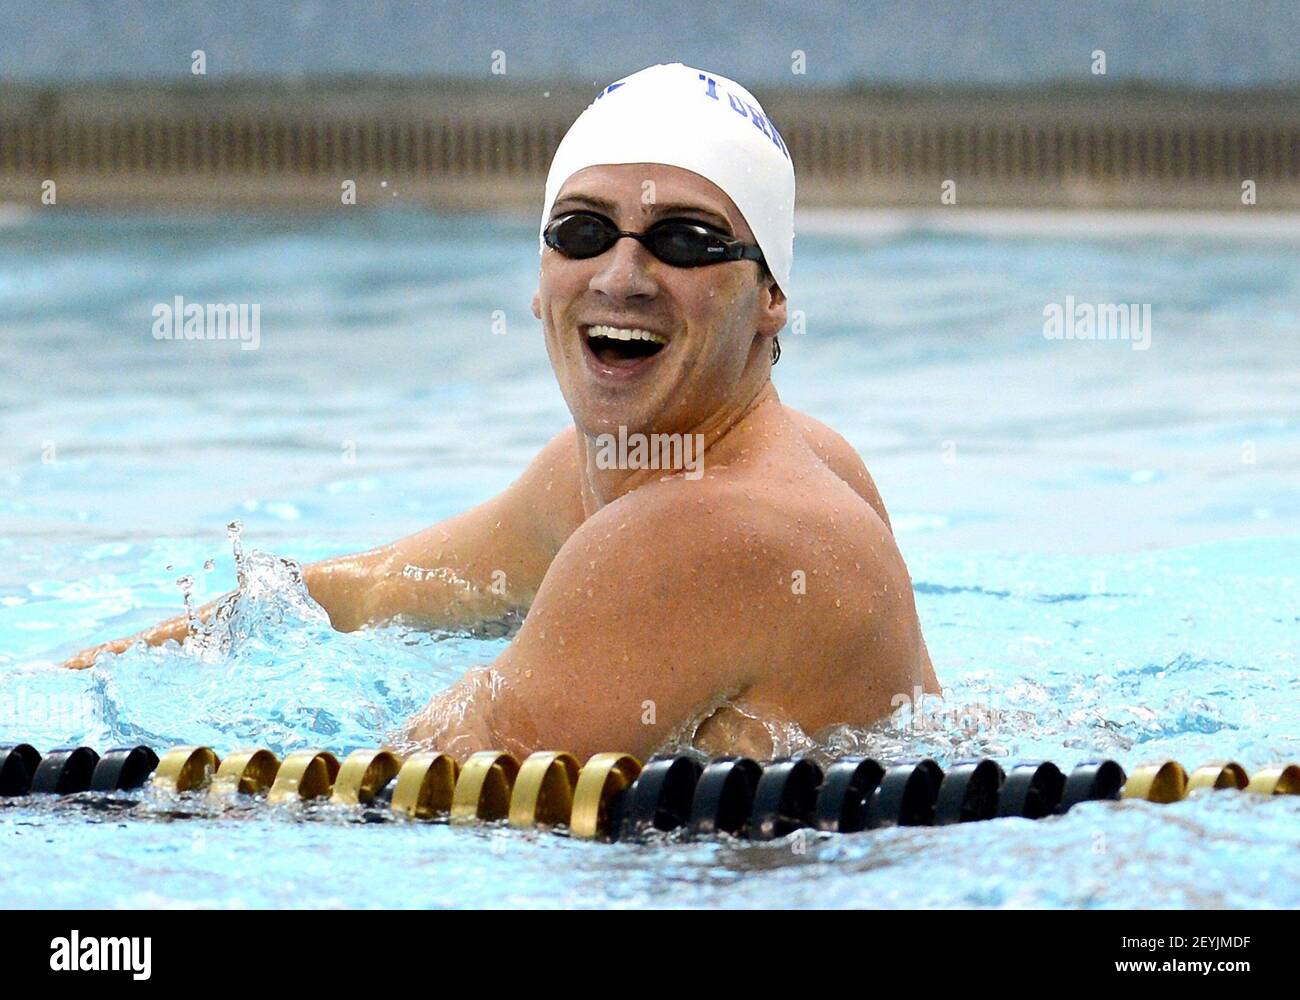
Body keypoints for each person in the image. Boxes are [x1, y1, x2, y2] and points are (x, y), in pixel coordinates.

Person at [64, 63, 940, 761]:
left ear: (773, 295)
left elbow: (396, 793)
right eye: (583, 231)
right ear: (540, 276)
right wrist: (55, 680)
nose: (620, 276)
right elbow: (358, 595)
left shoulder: (703, 533)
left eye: (685, 240)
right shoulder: (714, 466)